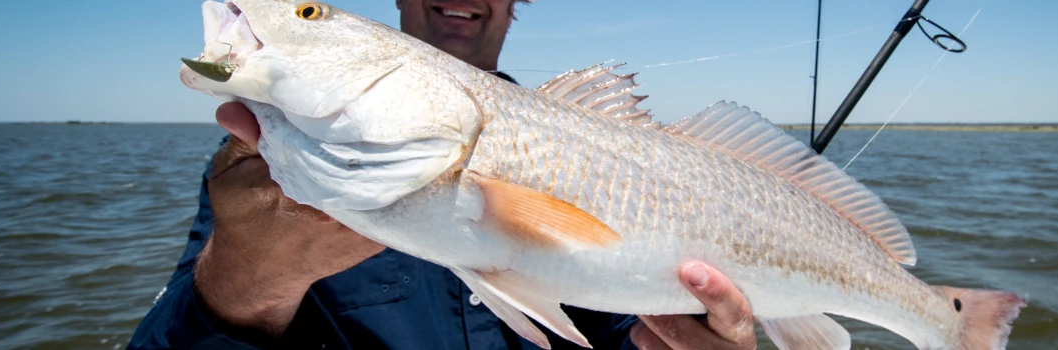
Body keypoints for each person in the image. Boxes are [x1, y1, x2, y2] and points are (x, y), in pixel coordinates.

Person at [129, 1, 759, 349]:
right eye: (310, 12)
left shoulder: (596, 148)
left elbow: (615, 330)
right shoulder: (258, 164)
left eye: (308, 13)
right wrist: (241, 285)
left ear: (516, 6)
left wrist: (687, 341)